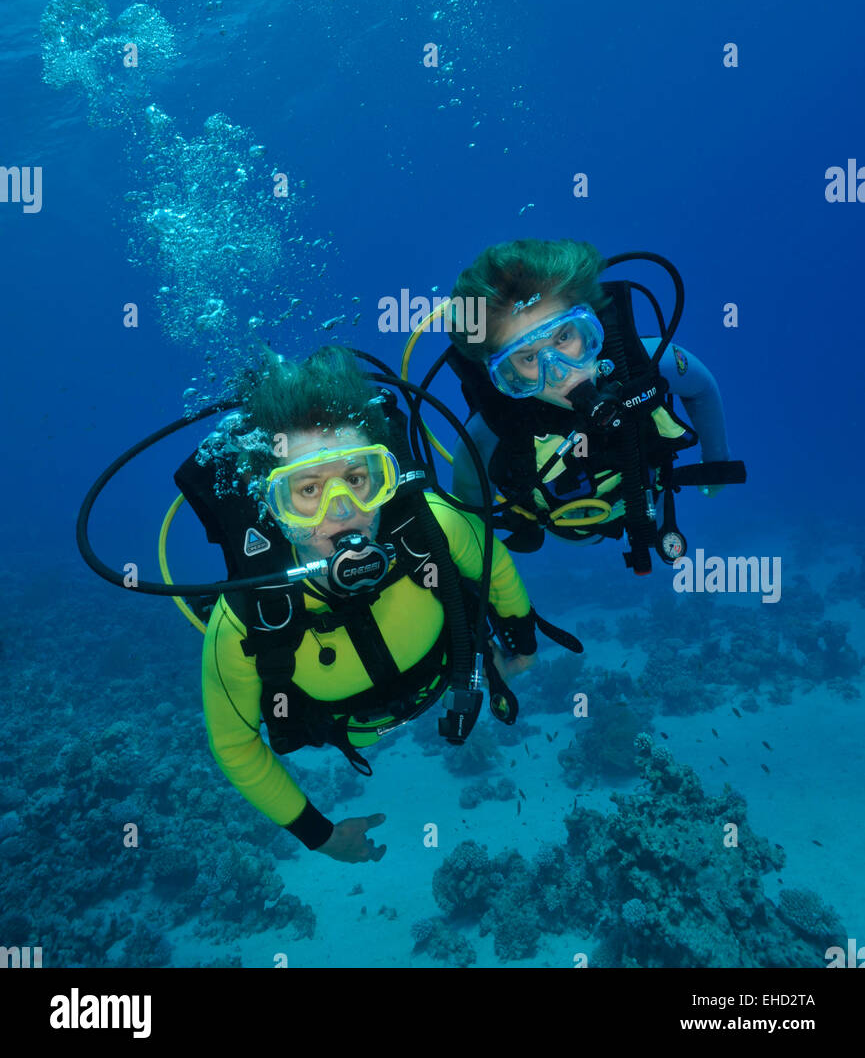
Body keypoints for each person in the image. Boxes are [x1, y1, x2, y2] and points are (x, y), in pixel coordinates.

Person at [179, 346, 547, 864]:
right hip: (341, 731)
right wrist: (322, 835)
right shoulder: (243, 619)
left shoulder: (431, 527)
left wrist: (521, 647)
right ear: (273, 509)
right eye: (307, 490)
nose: (345, 512)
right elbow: (236, 746)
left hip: (446, 675)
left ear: (382, 476)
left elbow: (497, 564)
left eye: (356, 478)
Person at [441, 239, 744, 574]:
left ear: (590, 323)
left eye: (562, 338)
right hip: (570, 531)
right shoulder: (488, 432)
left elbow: (701, 386)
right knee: (581, 540)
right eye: (528, 357)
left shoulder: (647, 363)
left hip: (648, 498)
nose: (558, 372)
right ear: (506, 374)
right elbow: (470, 513)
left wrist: (717, 459)